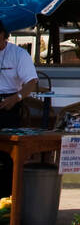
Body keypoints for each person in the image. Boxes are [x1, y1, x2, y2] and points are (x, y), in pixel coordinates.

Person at [0, 20, 40, 196]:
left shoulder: (18, 54)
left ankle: (8, 196)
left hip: (10, 102)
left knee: (8, 152)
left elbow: (31, 82)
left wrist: (16, 98)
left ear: (4, 36)